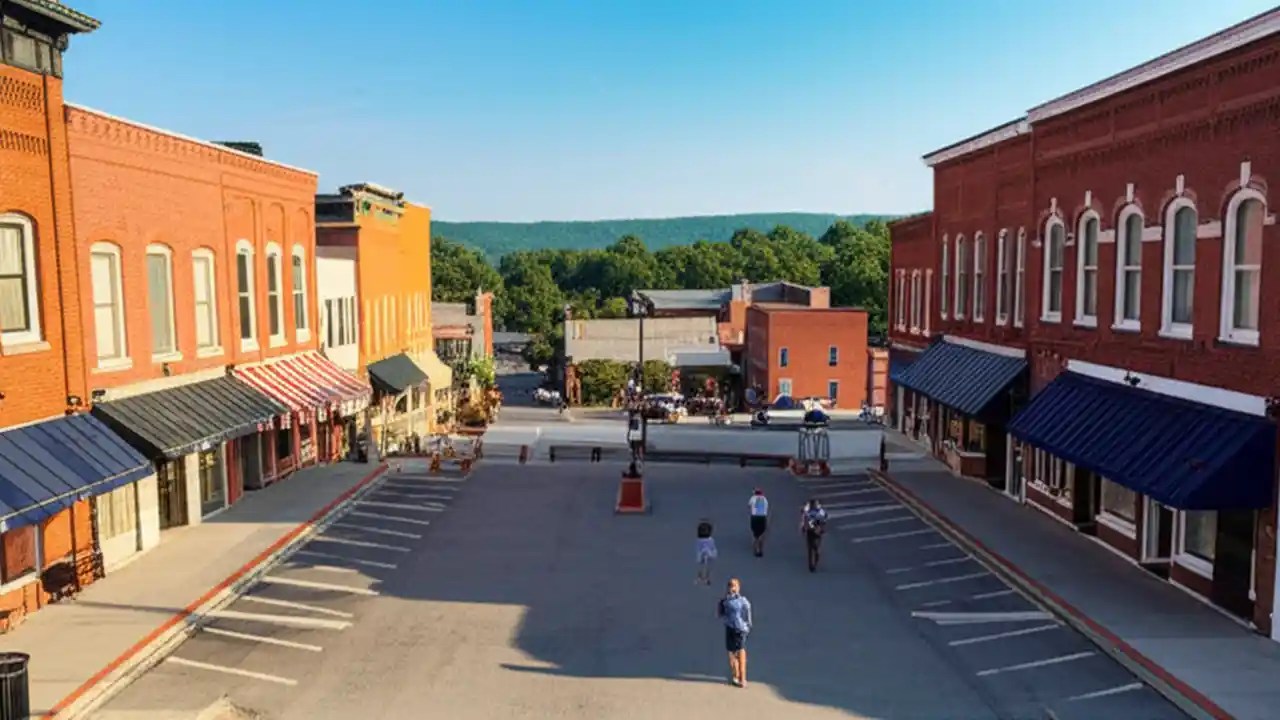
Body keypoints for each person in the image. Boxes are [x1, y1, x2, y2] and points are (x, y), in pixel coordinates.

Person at [716, 578, 752, 687]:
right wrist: (721, 605)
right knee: (731, 653)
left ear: (738, 588)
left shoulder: (743, 601)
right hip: (729, 627)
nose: (732, 588)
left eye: (734, 586)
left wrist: (747, 626)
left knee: (740, 651)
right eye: (731, 586)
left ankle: (743, 677)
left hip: (740, 629)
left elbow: (748, 613)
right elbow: (720, 614)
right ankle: (735, 675)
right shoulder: (724, 601)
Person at [799, 498, 828, 572]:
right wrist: (804, 527)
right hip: (810, 530)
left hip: (817, 529)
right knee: (810, 547)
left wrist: (820, 529)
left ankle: (815, 561)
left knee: (816, 548)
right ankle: (811, 565)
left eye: (816, 504)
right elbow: (805, 519)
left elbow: (823, 521)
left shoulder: (821, 512)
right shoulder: (808, 511)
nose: (815, 506)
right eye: (813, 504)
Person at [695, 519, 717, 585]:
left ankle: (700, 577)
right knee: (707, 567)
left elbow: (698, 548)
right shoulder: (710, 540)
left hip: (702, 554)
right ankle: (706, 578)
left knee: (701, 567)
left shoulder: (698, 540)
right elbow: (712, 547)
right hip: (708, 554)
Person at [748, 488, 769, 557]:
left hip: (755, 517)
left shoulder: (753, 498)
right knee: (761, 534)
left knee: (755, 534)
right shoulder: (765, 499)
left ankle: (755, 550)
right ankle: (760, 550)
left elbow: (749, 505)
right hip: (762, 517)